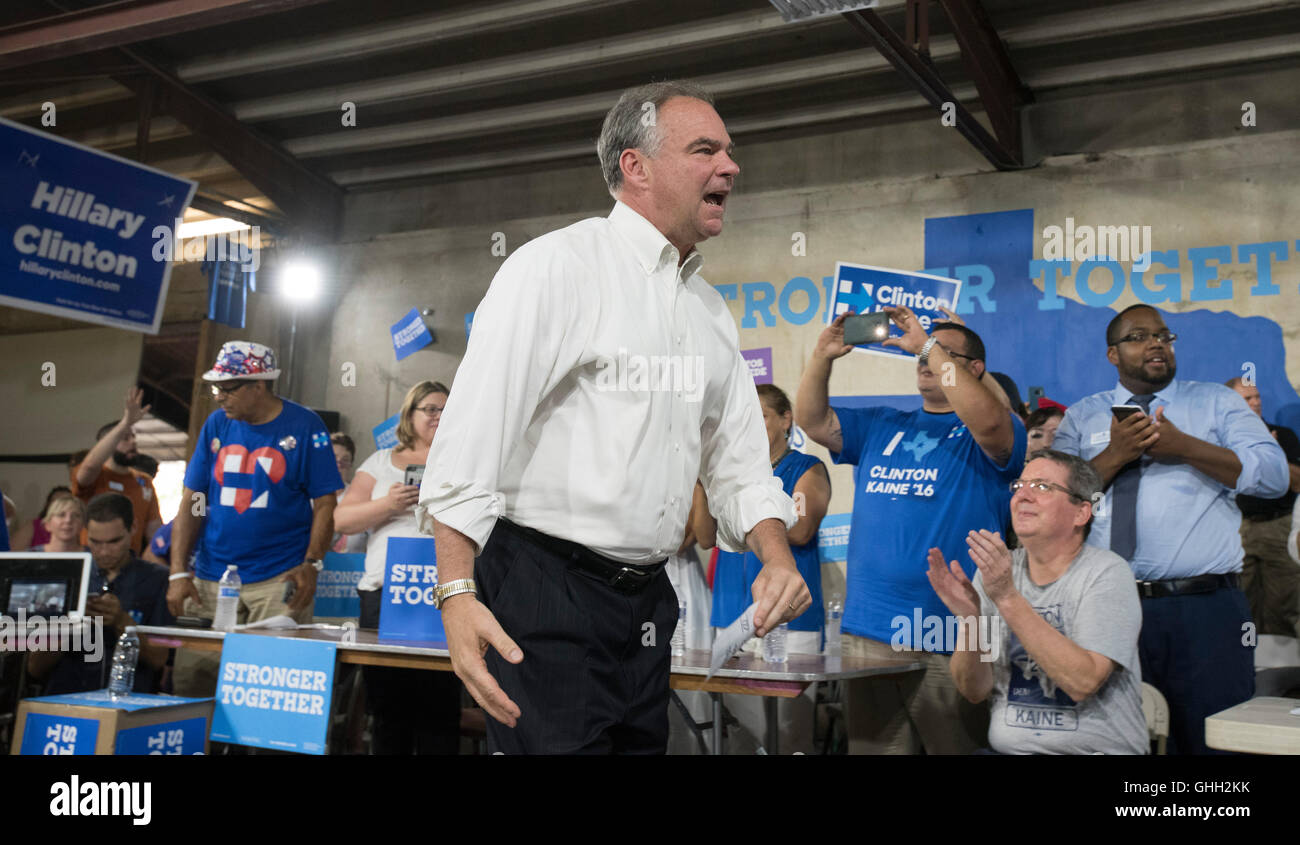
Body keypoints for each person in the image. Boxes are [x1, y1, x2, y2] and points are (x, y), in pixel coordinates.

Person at [417, 80, 809, 755]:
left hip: (648, 605)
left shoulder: (709, 311)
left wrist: (776, 555)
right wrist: (455, 592)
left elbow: (741, 464)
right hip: (546, 591)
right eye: (705, 150)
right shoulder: (554, 269)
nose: (730, 167)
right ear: (636, 167)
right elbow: (469, 440)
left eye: (730, 151)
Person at [1053, 304, 1288, 754]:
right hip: (1105, 606)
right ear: (1112, 355)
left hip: (1204, 609)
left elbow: (1274, 474)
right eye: (1139, 336)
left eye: (1164, 335)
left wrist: (1187, 448)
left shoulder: (1216, 402)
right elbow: (1056, 499)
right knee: (1111, 743)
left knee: (1212, 743)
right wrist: (1114, 455)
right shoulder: (1085, 415)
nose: (1157, 343)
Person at [796, 310, 1026, 754]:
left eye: (941, 352)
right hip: (869, 631)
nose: (925, 358)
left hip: (953, 635)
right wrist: (823, 357)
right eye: (922, 349)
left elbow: (994, 421)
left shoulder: (991, 436)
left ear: (975, 370)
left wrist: (926, 345)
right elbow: (813, 421)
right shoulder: (884, 423)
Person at [929, 450, 1147, 754]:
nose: (1023, 496)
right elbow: (974, 690)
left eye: (1043, 487)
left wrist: (1006, 597)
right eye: (1019, 486)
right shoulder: (997, 571)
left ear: (1082, 512)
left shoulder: (1106, 573)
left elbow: (1082, 682)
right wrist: (971, 620)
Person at [167, 340, 343, 697]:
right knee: (194, 688)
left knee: (273, 693)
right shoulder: (216, 426)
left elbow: (325, 503)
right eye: (216, 387)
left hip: (278, 579)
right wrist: (178, 571)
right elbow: (193, 499)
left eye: (227, 388)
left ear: (259, 385)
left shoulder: (306, 426)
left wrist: (312, 563)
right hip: (212, 578)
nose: (218, 396)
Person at [335, 380, 463, 754]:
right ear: (409, 414)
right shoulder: (380, 462)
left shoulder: (461, 458)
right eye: (431, 409)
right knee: (388, 705)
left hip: (445, 592)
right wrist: (387, 506)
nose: (439, 416)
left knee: (440, 706)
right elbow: (341, 520)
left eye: (446, 409)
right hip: (386, 592)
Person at [704, 384, 831, 753]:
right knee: (741, 733)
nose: (752, 425)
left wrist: (756, 517)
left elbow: (803, 528)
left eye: (761, 415)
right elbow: (703, 534)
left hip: (790, 618)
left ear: (786, 420)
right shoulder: (724, 476)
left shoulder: (808, 467)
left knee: (790, 735)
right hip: (731, 611)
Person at [27, 493, 172, 694]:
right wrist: (72, 623)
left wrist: (122, 622)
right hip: (67, 698)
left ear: (133, 529)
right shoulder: (67, 575)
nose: (104, 551)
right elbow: (35, 667)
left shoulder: (158, 580)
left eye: (114, 542)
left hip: (129, 701)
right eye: (95, 542)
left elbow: (159, 659)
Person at [1225, 377, 1300, 640]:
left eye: (1257, 396)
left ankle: (1285, 673)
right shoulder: (1221, 441)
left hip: (1278, 526)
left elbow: (1297, 483)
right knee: (1241, 605)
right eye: (1247, 398)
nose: (1255, 402)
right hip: (1236, 529)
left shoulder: (1284, 436)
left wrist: (1273, 452)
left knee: (1285, 603)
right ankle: (1249, 668)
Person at [70, 387, 163, 555]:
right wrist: (125, 423)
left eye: (133, 436)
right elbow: (89, 466)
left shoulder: (144, 481)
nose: (133, 442)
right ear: (109, 444)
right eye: (125, 438)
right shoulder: (96, 475)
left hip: (130, 563)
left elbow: (153, 529)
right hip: (92, 559)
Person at [330, 432, 367, 554]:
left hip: (352, 570)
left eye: (345, 461)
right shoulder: (306, 498)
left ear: (351, 464)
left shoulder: (361, 498)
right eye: (333, 459)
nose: (338, 465)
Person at [9, 485, 73, 550]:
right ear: (47, 506)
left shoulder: (78, 529)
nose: (60, 507)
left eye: (65, 502)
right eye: (55, 503)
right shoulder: (34, 526)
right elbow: (10, 554)